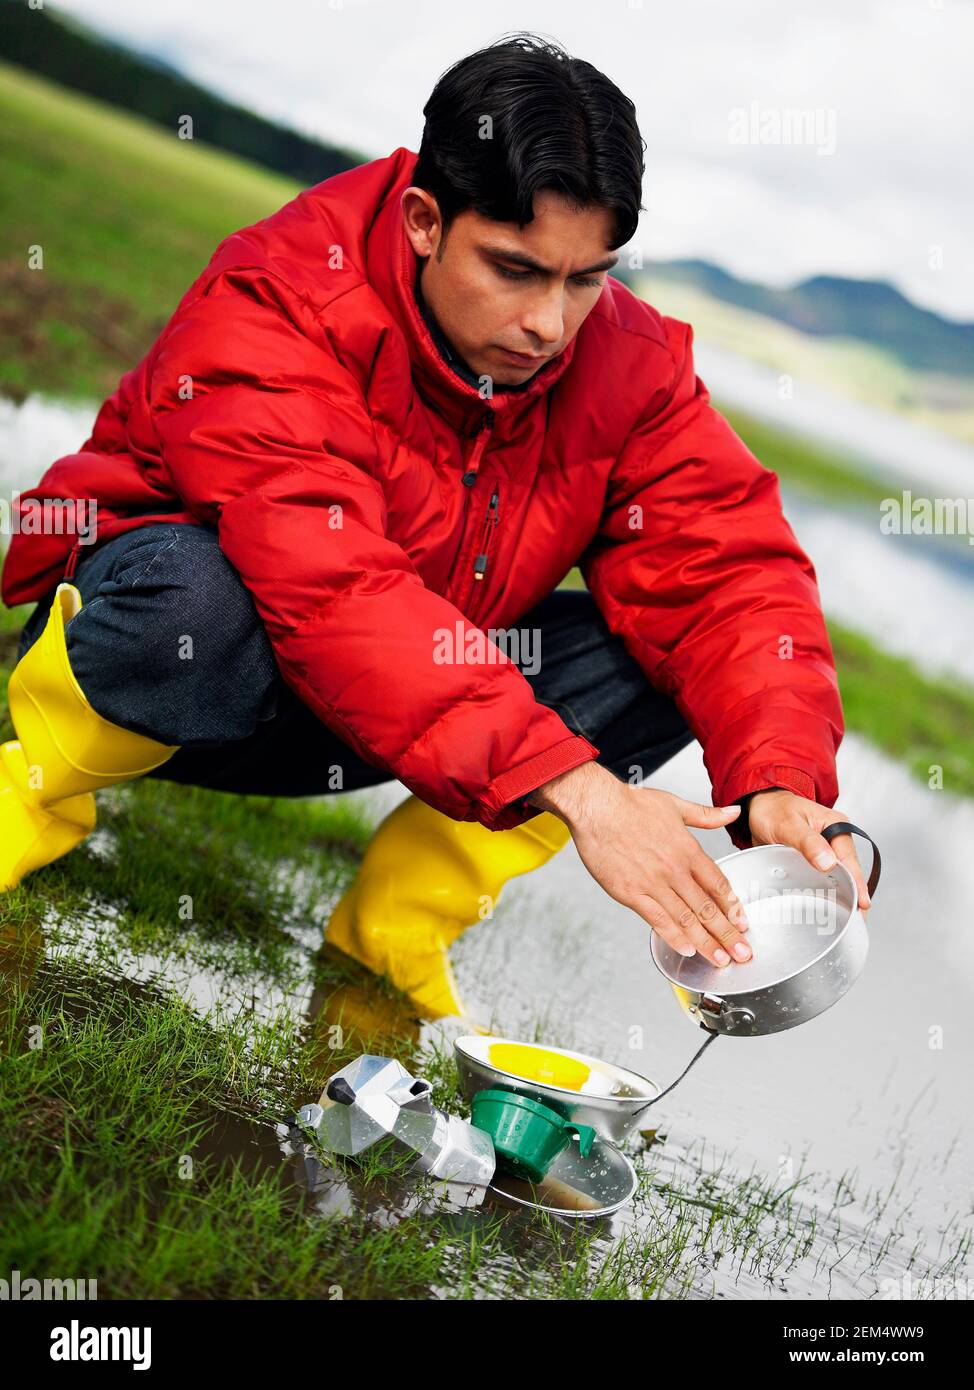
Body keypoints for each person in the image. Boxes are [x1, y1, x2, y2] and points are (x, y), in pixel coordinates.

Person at [0, 33, 866, 1022]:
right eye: (514, 268)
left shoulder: (628, 366)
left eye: (584, 279)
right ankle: (19, 805)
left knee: (656, 659)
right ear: (422, 220)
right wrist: (584, 797)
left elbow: (729, 577)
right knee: (195, 599)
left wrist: (778, 783)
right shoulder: (278, 300)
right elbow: (336, 596)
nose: (548, 321)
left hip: (387, 712)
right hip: (177, 668)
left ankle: (392, 933)